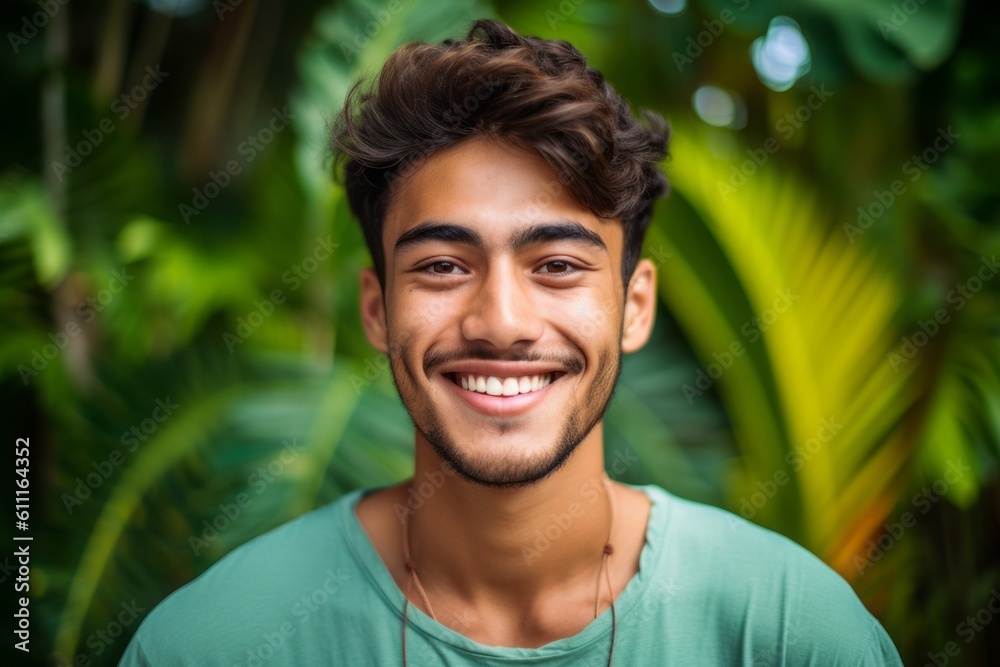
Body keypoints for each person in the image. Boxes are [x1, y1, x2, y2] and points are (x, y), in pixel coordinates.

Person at [119, 18, 903, 666]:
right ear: (377, 309)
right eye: (442, 265)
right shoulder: (213, 644)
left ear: (635, 307)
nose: (500, 320)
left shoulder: (789, 630)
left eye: (557, 265)